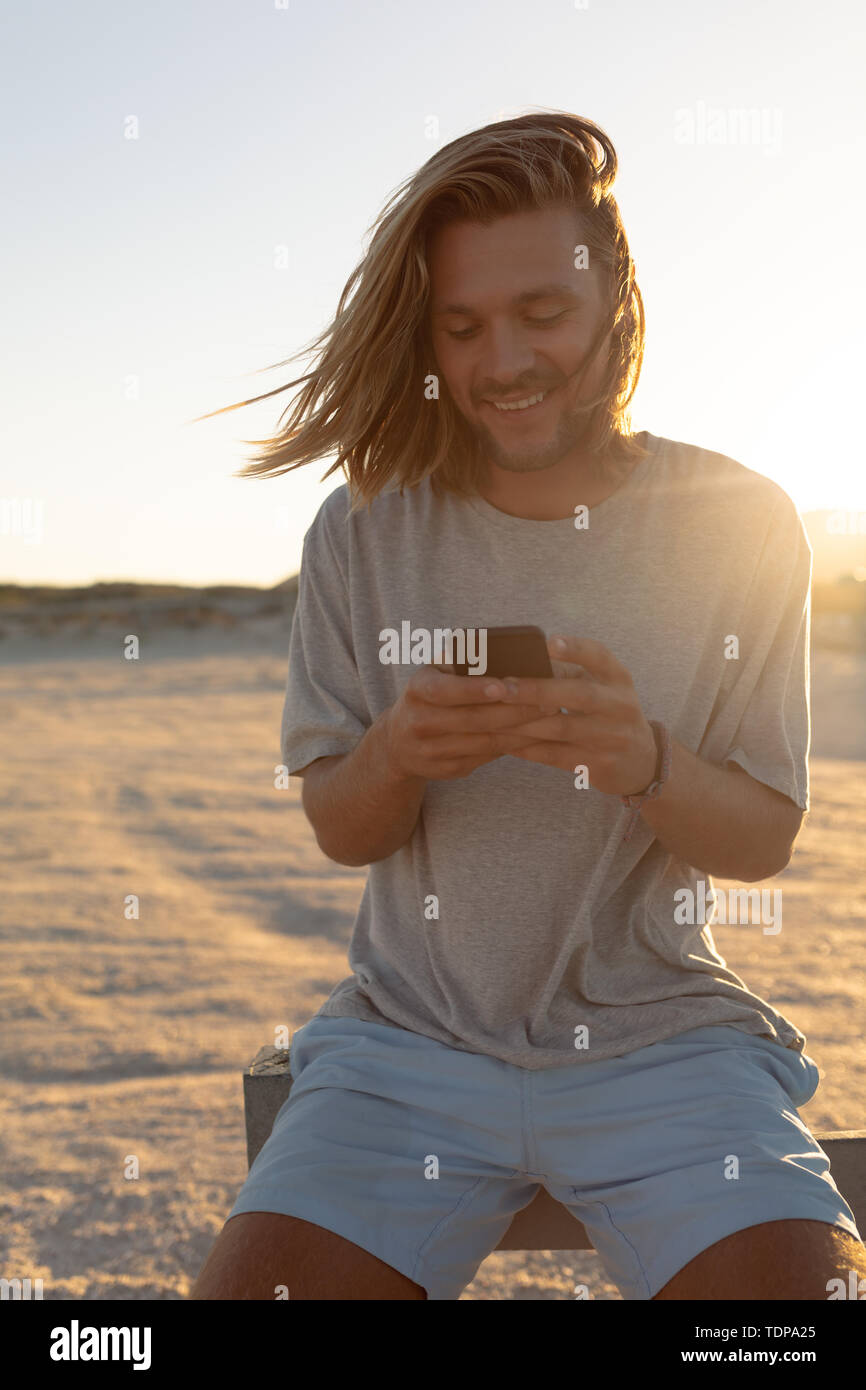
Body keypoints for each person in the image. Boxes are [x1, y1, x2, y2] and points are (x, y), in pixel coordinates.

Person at [190, 112, 863, 1300]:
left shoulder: (739, 518)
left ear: (617, 301)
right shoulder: (363, 526)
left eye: (540, 314)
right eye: (461, 326)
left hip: (665, 1042)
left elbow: (760, 839)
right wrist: (397, 753)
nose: (500, 361)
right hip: (404, 1047)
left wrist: (644, 760)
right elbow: (341, 827)